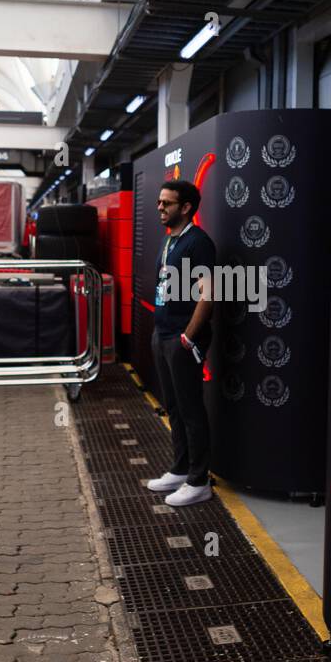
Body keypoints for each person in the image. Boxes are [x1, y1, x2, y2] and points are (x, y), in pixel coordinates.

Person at [144, 179, 216, 507]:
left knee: (190, 410)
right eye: (159, 202)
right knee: (173, 406)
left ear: (185, 207)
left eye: (166, 203)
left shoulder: (198, 243)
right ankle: (181, 468)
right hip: (164, 334)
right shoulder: (171, 240)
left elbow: (209, 293)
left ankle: (199, 481)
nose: (160, 207)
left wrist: (188, 335)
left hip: (182, 338)